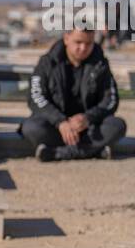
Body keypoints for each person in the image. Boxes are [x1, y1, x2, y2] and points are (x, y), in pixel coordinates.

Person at [21, 24, 126, 161]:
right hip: (57, 128)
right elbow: (36, 97)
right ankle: (93, 151)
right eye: (78, 42)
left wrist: (87, 118)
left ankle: (58, 153)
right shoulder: (47, 62)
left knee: (117, 126)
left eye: (88, 43)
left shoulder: (100, 64)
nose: (83, 48)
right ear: (66, 38)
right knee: (31, 127)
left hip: (88, 129)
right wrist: (60, 121)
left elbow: (110, 99)